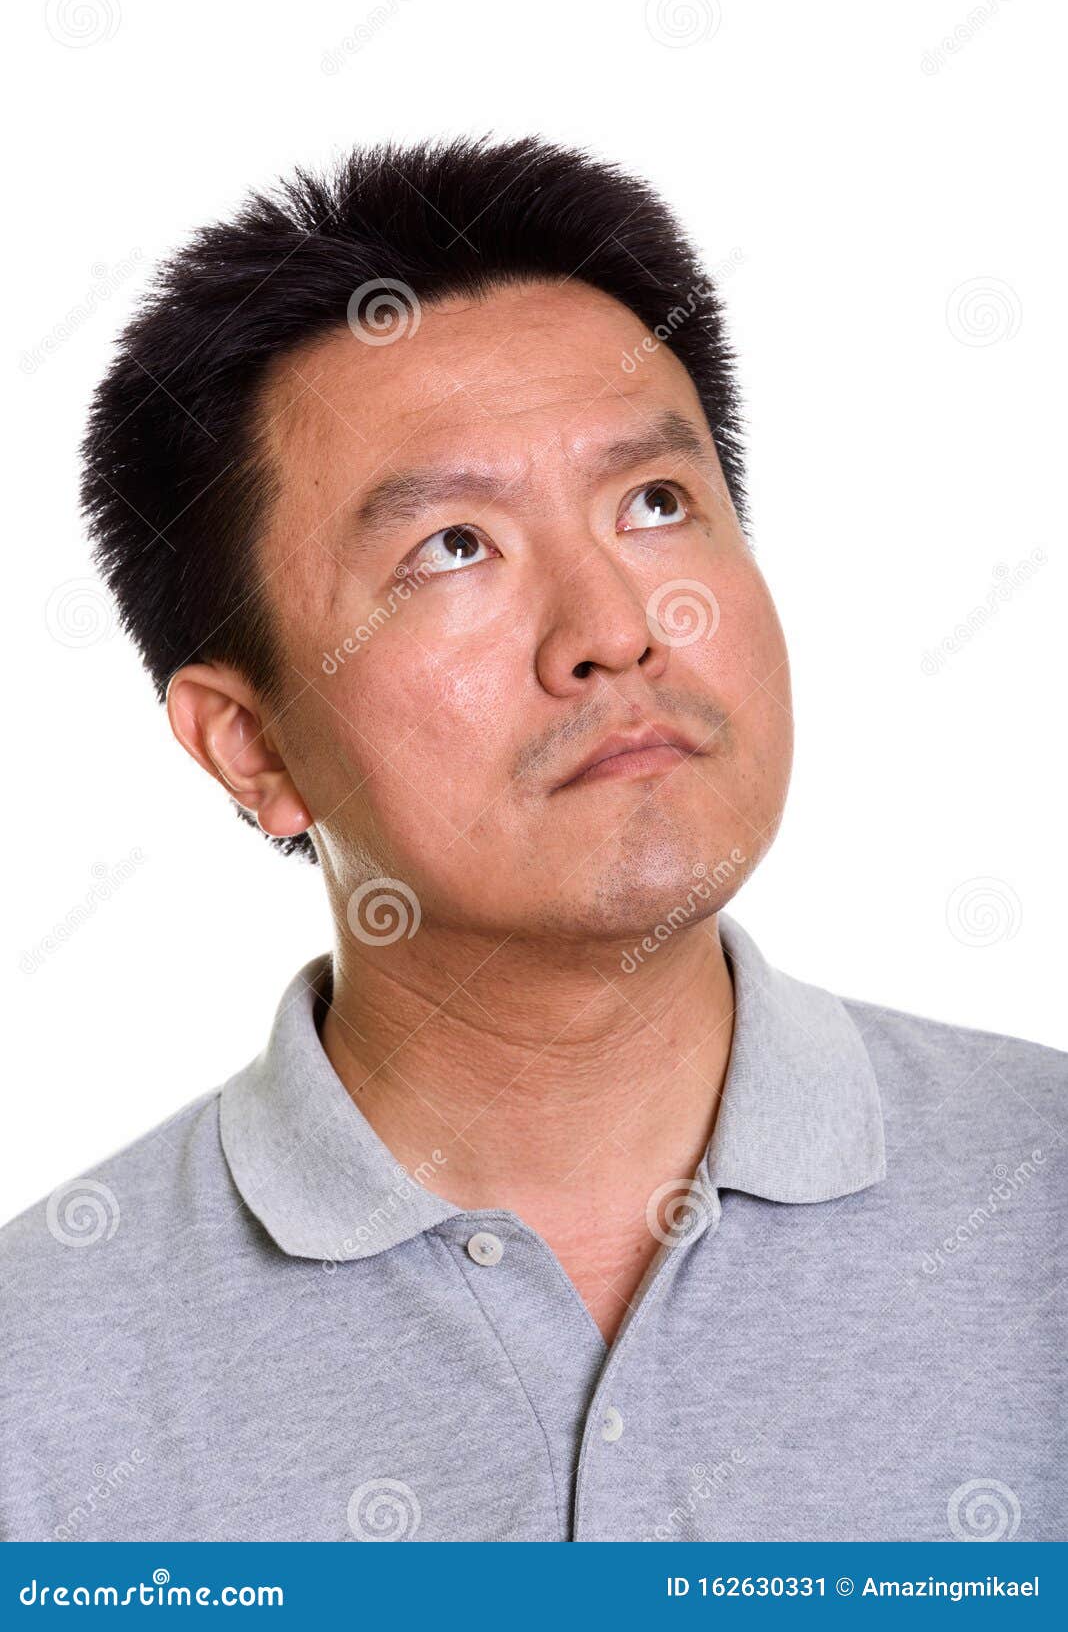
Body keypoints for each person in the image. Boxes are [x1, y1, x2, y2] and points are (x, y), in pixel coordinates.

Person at [1, 136, 1063, 1543]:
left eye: (655, 503)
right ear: (251, 746)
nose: (615, 628)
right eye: (452, 544)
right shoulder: (44, 1380)